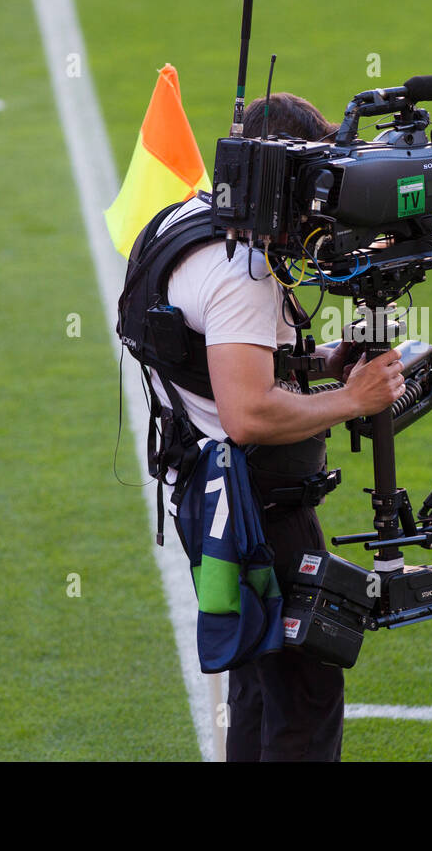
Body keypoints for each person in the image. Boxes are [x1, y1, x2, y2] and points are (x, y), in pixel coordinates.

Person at [148, 92, 406, 761]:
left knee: (258, 689)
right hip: (260, 513)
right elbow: (249, 412)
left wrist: (320, 361)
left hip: (209, 503)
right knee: (303, 697)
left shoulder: (180, 221)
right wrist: (354, 398)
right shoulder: (241, 271)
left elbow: (213, 360)